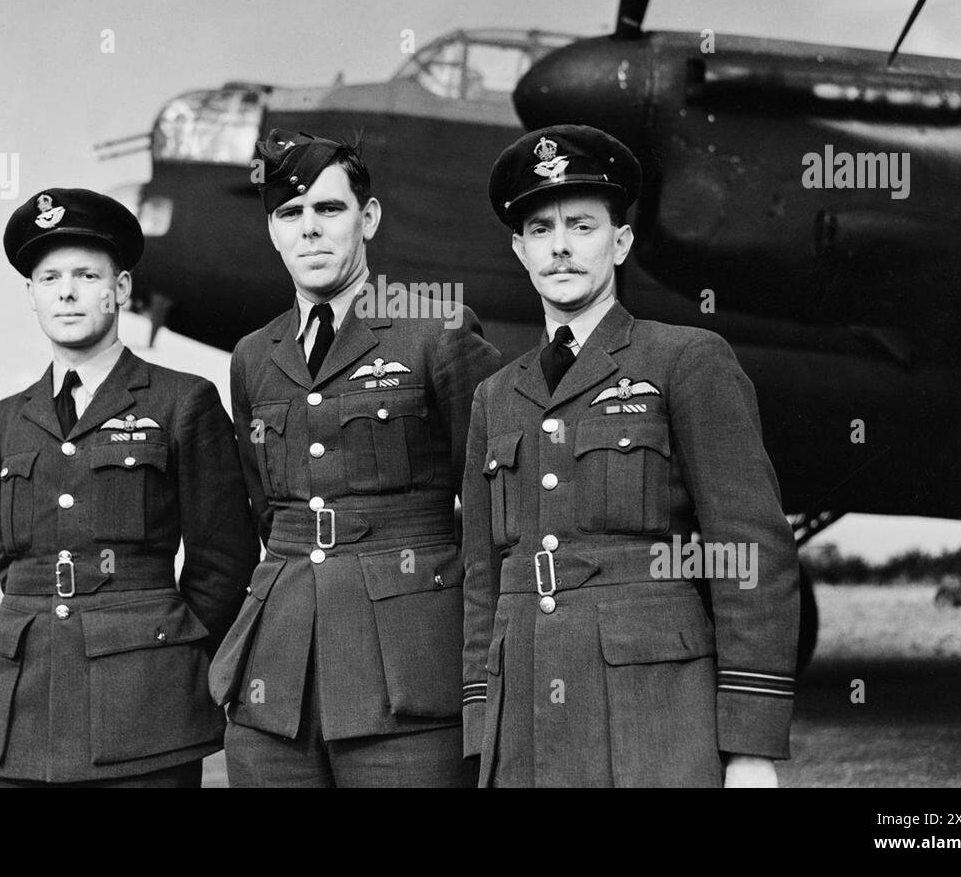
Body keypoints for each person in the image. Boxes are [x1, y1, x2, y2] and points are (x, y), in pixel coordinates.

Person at [462, 126, 799, 787]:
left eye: (582, 225)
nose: (560, 246)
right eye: (539, 229)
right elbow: (482, 579)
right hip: (523, 725)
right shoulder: (494, 397)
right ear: (519, 249)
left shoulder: (686, 360)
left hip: (655, 723)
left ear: (620, 241)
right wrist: (482, 731)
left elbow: (749, 551)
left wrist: (752, 747)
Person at [209, 129, 501, 787]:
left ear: (367, 218)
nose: (309, 229)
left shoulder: (440, 331)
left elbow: (492, 515)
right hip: (274, 686)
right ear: (272, 232)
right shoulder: (253, 356)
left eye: (329, 209)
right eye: (289, 214)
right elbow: (266, 510)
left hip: (410, 683)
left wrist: (485, 679)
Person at [0, 188, 257, 786]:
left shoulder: (184, 401)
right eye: (49, 277)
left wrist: (167, 653)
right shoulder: (5, 418)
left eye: (85, 274)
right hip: (17, 707)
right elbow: (13, 563)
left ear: (120, 288)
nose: (67, 292)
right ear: (31, 295)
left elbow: (224, 558)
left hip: (145, 711)